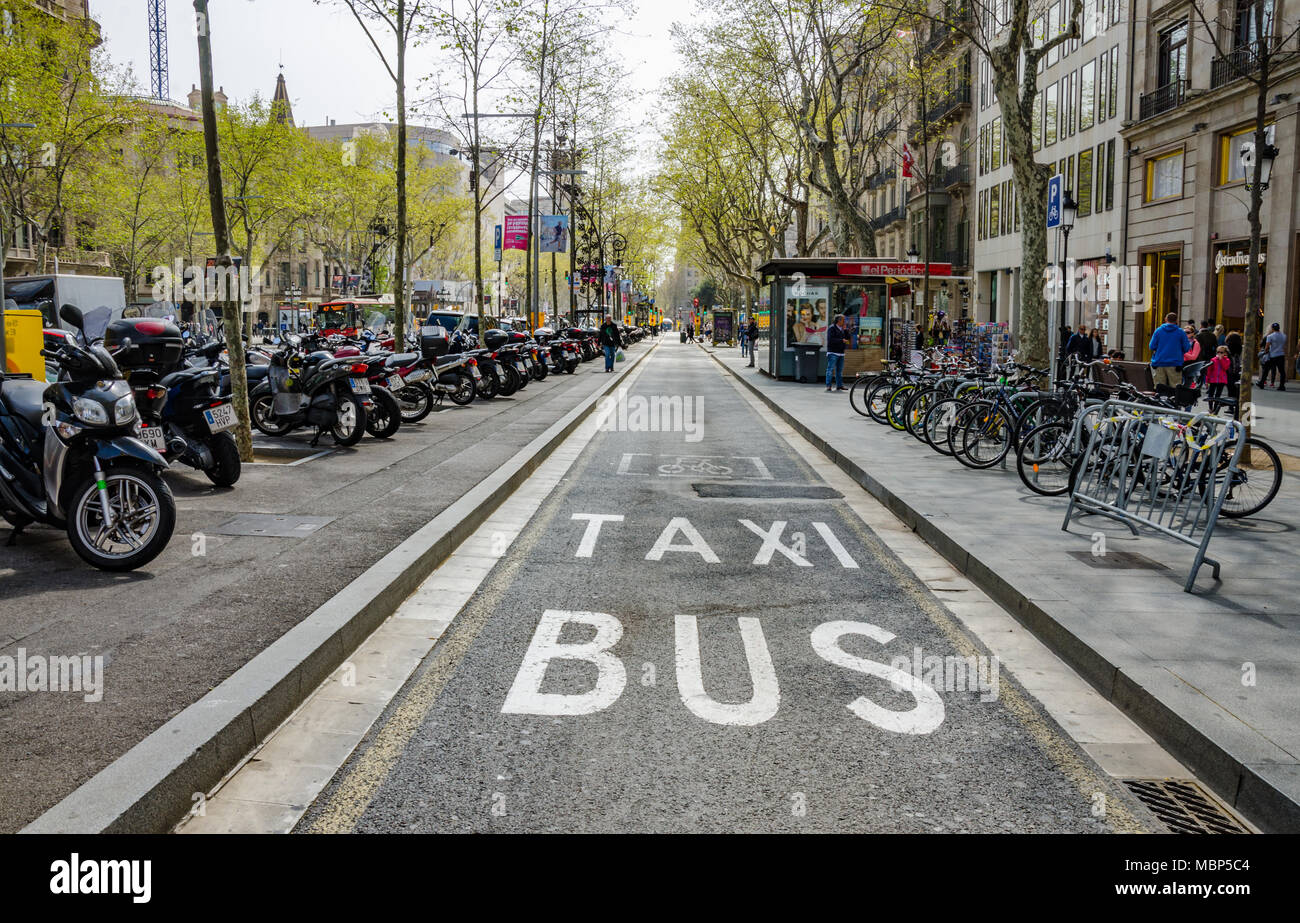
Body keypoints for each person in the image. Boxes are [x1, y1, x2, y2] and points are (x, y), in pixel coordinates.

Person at [1149, 312, 1192, 390]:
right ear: (1176, 321)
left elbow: (1152, 346)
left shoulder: (1158, 331)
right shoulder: (1180, 332)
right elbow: (1186, 348)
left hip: (1159, 363)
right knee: (1175, 388)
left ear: (1165, 319)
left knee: (1160, 388)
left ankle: (1161, 401)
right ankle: (1172, 401)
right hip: (1175, 364)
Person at [1258, 321, 1287, 390]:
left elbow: (1267, 346)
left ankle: (1261, 383)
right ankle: (1282, 385)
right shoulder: (1284, 336)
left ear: (1273, 329)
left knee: (1266, 370)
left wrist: (1265, 352)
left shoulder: (1270, 336)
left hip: (1272, 355)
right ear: (1279, 328)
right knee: (1282, 371)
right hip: (1281, 355)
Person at [825, 314, 848, 392]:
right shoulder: (832, 328)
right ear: (839, 320)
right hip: (833, 352)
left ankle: (839, 385)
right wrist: (841, 341)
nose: (845, 322)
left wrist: (845, 330)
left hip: (841, 352)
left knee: (839, 370)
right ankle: (828, 385)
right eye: (843, 320)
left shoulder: (842, 329)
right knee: (830, 369)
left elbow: (847, 337)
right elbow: (830, 340)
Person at [1206, 345, 1232, 412]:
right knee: (1211, 394)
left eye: (1221, 352)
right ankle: (1210, 407)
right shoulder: (1213, 360)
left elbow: (1225, 367)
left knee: (1218, 395)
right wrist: (1207, 380)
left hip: (1221, 380)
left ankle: (1215, 409)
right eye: (1218, 352)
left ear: (1225, 353)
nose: (1219, 354)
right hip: (1213, 379)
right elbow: (1209, 370)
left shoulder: (1227, 360)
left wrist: (1221, 360)